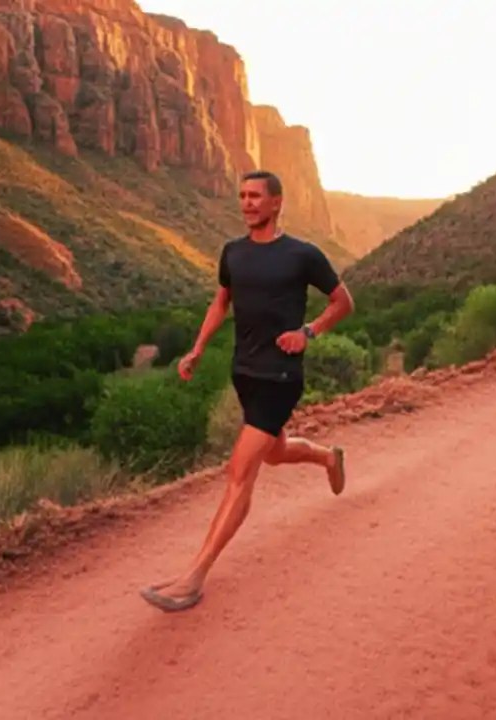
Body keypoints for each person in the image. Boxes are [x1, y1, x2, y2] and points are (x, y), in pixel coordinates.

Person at [139, 169, 356, 612]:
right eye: (242, 195)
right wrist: (197, 348)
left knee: (239, 474)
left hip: (280, 376)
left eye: (256, 196)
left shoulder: (302, 254)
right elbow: (221, 302)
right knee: (273, 452)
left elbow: (343, 302)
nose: (247, 203)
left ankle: (193, 578)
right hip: (246, 373)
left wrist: (307, 333)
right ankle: (327, 457)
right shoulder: (233, 253)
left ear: (276, 203)